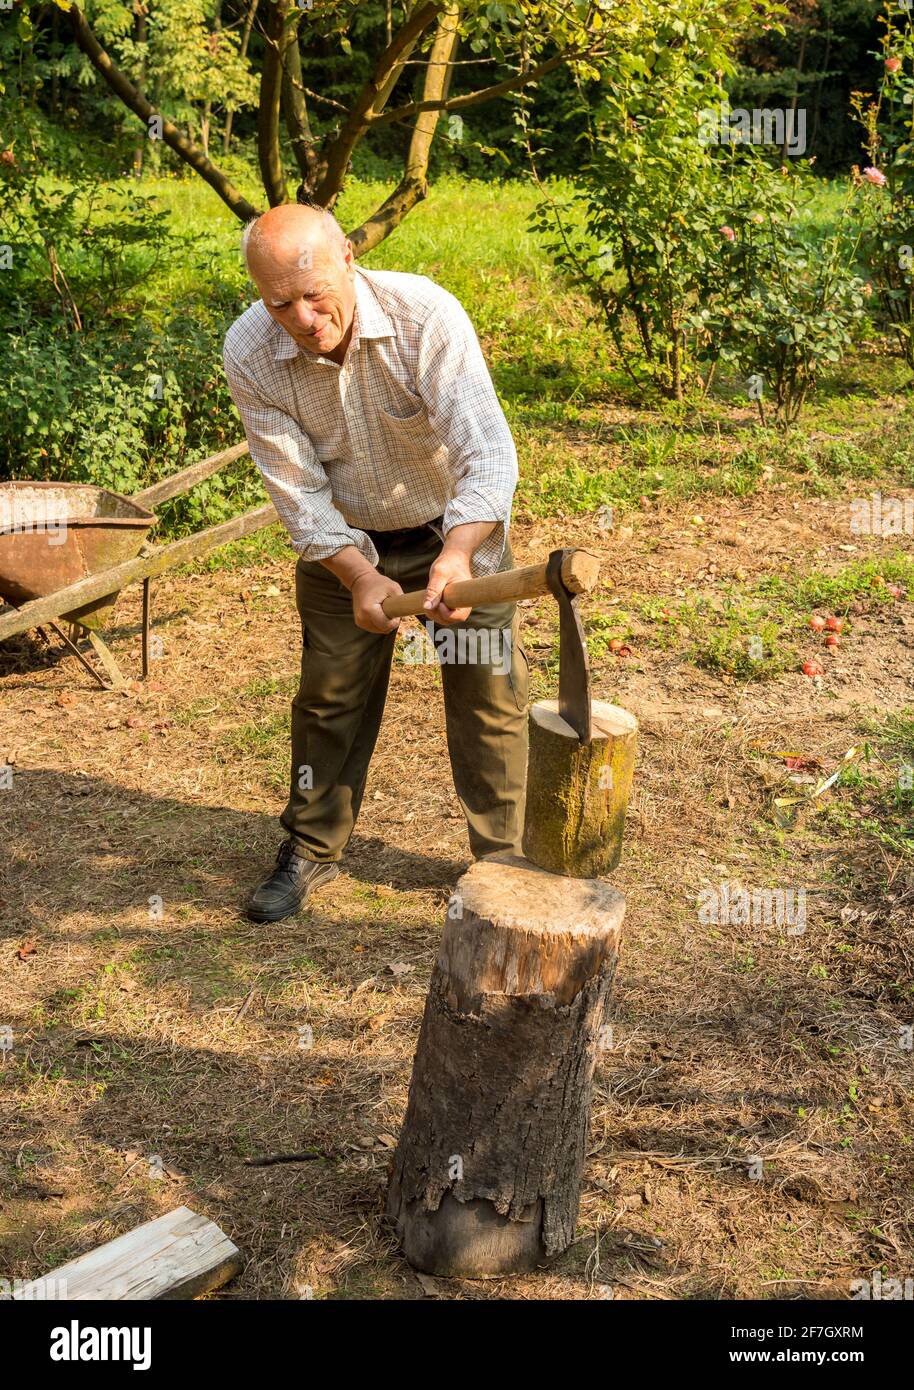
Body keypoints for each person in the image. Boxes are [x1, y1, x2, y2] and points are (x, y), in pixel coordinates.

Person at [223, 201, 528, 923]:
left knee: (486, 690)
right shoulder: (248, 350)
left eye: (314, 295)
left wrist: (457, 553)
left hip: (452, 527)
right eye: (280, 303)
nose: (301, 317)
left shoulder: (426, 317)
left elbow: (488, 453)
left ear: (349, 261)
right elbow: (297, 492)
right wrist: (360, 575)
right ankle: (310, 849)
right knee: (329, 699)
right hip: (344, 544)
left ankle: (505, 858)